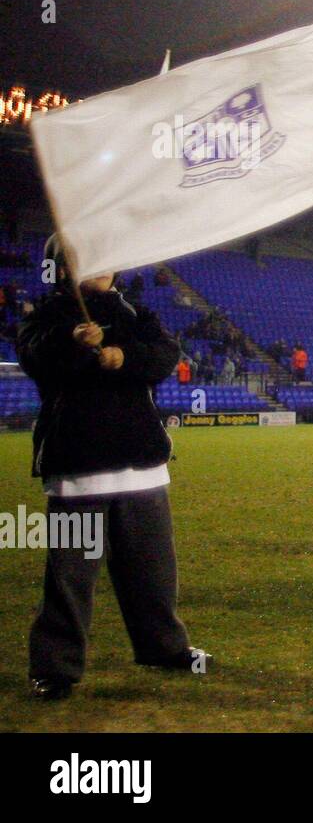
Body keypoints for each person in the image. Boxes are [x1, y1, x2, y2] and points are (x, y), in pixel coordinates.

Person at [18, 234, 207, 700]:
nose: (100, 264)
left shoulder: (136, 314)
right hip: (77, 469)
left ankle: (164, 647)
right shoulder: (48, 315)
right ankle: (55, 667)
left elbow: (165, 354)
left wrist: (123, 356)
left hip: (141, 465)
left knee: (153, 572)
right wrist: (75, 342)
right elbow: (36, 357)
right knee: (69, 579)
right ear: (63, 269)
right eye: (84, 256)